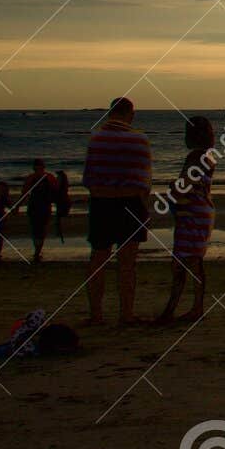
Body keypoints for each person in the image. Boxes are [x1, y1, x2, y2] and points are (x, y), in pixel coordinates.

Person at [83, 97, 153, 326]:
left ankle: (96, 314)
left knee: (98, 258)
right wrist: (145, 207)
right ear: (130, 114)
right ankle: (126, 314)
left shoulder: (96, 139)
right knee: (127, 263)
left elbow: (89, 177)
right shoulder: (140, 140)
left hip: (102, 202)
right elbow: (144, 181)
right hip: (131, 202)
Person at [158, 116, 217, 324]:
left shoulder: (195, 158)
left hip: (191, 214)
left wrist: (173, 188)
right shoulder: (206, 157)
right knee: (191, 261)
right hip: (199, 212)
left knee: (184, 262)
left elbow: (186, 185)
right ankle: (190, 307)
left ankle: (181, 309)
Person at [20, 159, 56, 264]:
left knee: (41, 228)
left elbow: (55, 191)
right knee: (36, 228)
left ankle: (38, 250)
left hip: (44, 205)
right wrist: (18, 205)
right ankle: (37, 249)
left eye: (40, 167)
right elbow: (25, 192)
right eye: (37, 167)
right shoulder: (32, 178)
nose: (39, 169)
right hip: (35, 205)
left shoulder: (49, 177)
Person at [54, 168, 72, 243]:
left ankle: (60, 232)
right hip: (64, 199)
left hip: (62, 199)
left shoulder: (60, 178)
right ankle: (60, 232)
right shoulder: (64, 179)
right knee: (59, 216)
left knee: (59, 216)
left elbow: (57, 188)